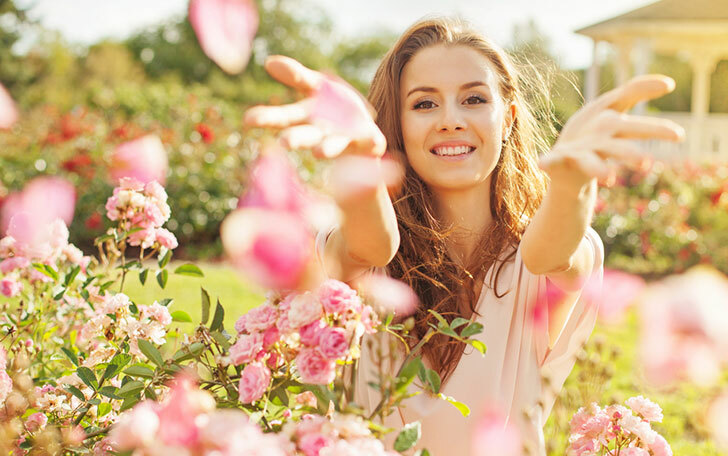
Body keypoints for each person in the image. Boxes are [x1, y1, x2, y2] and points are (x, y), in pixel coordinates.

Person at [244, 17, 683, 456]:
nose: (451, 120)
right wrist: (364, 161)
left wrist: (571, 187)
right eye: (423, 104)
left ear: (508, 119)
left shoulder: (553, 252)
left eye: (473, 99)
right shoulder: (356, 242)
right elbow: (372, 246)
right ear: (395, 123)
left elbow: (548, 253)